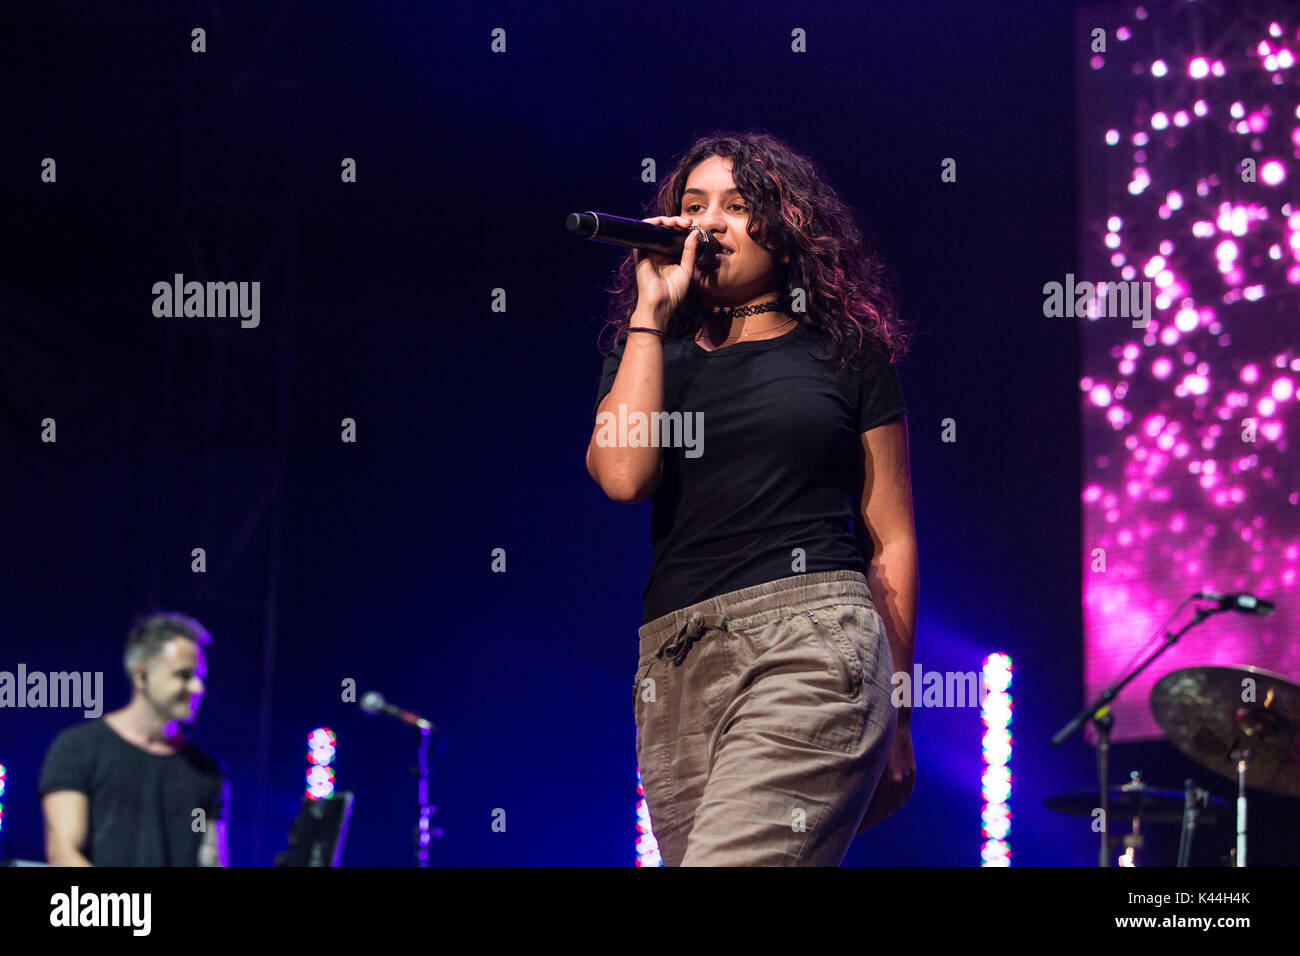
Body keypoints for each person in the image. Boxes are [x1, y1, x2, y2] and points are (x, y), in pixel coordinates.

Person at [587, 130, 917, 866]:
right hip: (673, 664)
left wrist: (900, 705)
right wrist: (650, 313)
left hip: (813, 642)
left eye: (738, 206)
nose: (710, 223)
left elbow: (891, 536)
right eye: (694, 206)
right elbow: (622, 477)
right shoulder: (651, 352)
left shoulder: (845, 351)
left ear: (789, 226)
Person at [39, 611, 228, 866]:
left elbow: (211, 860)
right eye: (184, 675)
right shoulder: (78, 748)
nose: (198, 688)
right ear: (141, 676)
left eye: (199, 677)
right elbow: (63, 851)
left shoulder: (207, 770)